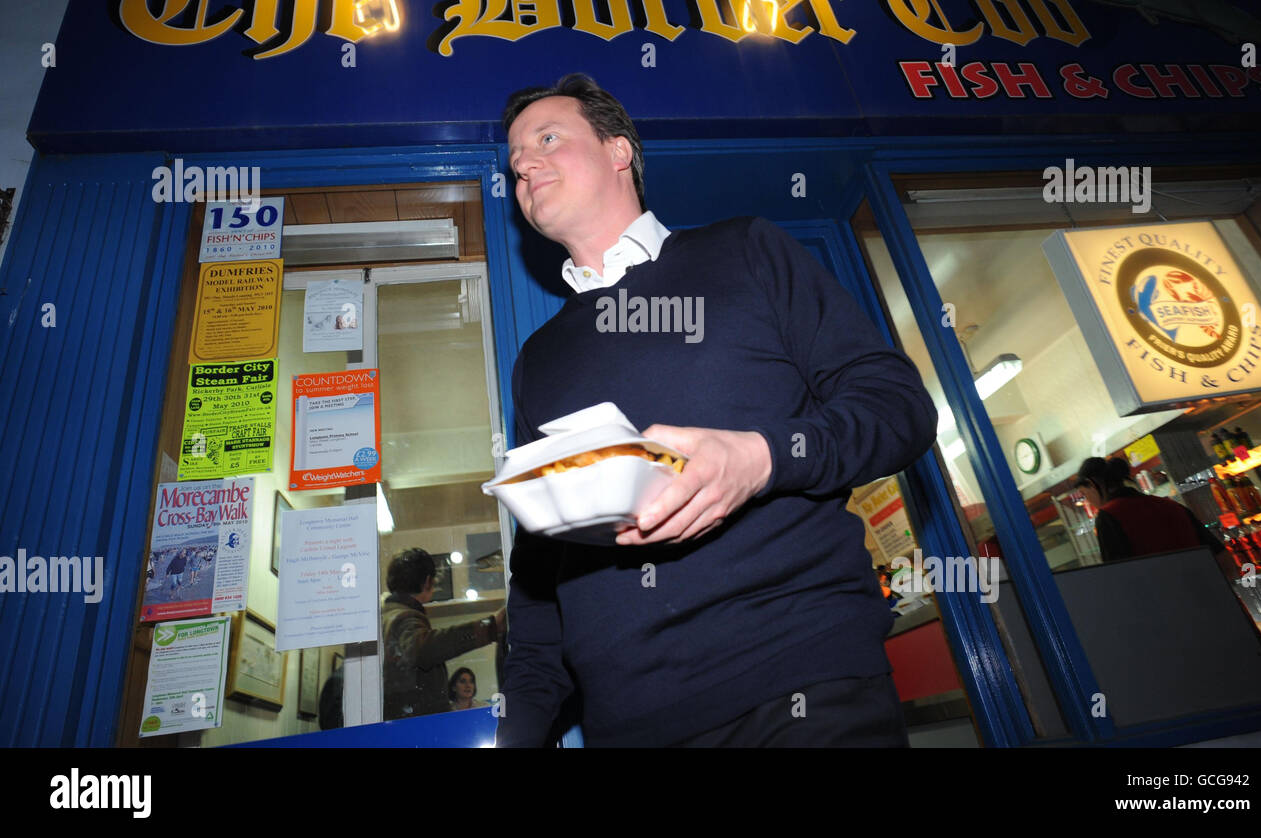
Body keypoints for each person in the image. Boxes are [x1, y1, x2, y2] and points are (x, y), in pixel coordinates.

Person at [497, 74, 938, 748]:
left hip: (803, 690)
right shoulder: (537, 359)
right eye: (515, 159)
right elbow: (539, 570)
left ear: (620, 151)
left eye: (546, 139)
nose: (523, 164)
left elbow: (897, 407)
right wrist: (518, 731)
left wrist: (760, 459)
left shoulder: (747, 251)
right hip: (629, 727)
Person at [381, 548, 505, 721]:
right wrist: (490, 628)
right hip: (416, 728)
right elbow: (423, 649)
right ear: (427, 582)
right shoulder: (404, 617)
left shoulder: (387, 616)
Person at [1078, 456, 1228, 567]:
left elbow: (1121, 575)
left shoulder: (1108, 516)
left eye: (1085, 495)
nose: (1088, 502)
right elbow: (1223, 558)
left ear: (1092, 484)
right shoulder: (1170, 505)